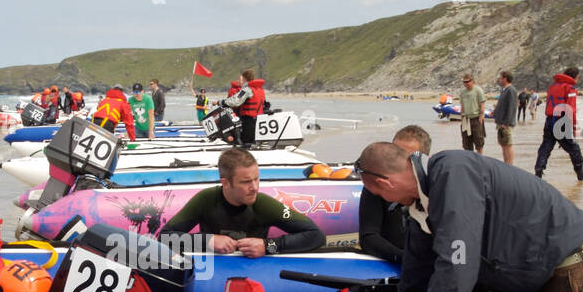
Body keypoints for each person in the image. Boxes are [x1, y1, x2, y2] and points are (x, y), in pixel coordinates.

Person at [357, 142, 583, 292]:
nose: (384, 201)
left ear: (386, 184)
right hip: (530, 279)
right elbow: (417, 261)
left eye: (377, 193)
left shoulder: (452, 172)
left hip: (571, 270)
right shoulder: (420, 202)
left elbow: (458, 258)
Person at [158, 147, 324, 257]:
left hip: (254, 272)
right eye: (245, 182)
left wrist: (268, 246)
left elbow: (316, 236)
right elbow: (165, 237)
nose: (254, 187)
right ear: (226, 183)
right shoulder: (206, 199)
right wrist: (208, 241)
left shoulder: (264, 204)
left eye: (256, 179)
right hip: (213, 271)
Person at [356, 125, 430, 263]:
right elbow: (368, 236)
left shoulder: (435, 190)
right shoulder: (377, 186)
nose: (398, 161)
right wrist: (403, 258)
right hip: (394, 259)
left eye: (407, 158)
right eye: (395, 153)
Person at [535, 66, 583, 181]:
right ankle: (580, 173)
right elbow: (570, 109)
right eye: (577, 78)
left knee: (546, 147)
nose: (577, 80)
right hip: (562, 121)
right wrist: (574, 126)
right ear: (574, 77)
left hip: (549, 120)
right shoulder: (570, 89)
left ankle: (538, 172)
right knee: (574, 148)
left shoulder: (552, 87)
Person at [219, 68, 266, 145]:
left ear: (244, 78)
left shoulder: (247, 90)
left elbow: (236, 101)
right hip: (258, 120)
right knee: (252, 140)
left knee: (245, 141)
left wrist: (221, 102)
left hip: (248, 120)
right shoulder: (260, 89)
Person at [493, 71, 518, 166]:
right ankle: (506, 164)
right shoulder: (504, 90)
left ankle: (510, 165)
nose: (499, 79)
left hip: (506, 124)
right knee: (503, 144)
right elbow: (501, 105)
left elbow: (512, 108)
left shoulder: (511, 90)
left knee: (508, 144)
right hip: (500, 122)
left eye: (501, 78)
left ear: (505, 78)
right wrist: (495, 113)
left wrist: (506, 123)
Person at [458, 73, 487, 153]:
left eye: (467, 82)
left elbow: (482, 104)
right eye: (464, 82)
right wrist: (462, 117)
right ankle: (469, 161)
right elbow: (462, 106)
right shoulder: (463, 93)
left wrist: (481, 116)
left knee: (479, 143)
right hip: (466, 119)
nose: (465, 84)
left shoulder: (478, 90)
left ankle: (480, 161)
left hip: (476, 118)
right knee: (466, 144)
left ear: (472, 81)